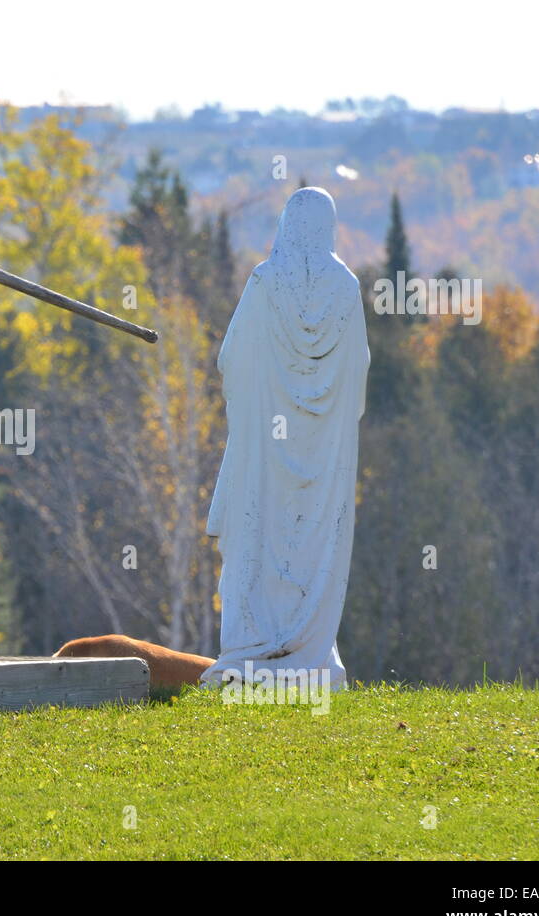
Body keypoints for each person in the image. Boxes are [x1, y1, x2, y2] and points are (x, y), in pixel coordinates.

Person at [201, 187, 369, 691]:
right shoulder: (346, 286)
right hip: (326, 452)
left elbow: (230, 360)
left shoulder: (264, 281)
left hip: (263, 454)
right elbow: (356, 372)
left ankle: (252, 656)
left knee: (256, 536)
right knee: (316, 544)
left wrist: (263, 401)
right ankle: (311, 661)